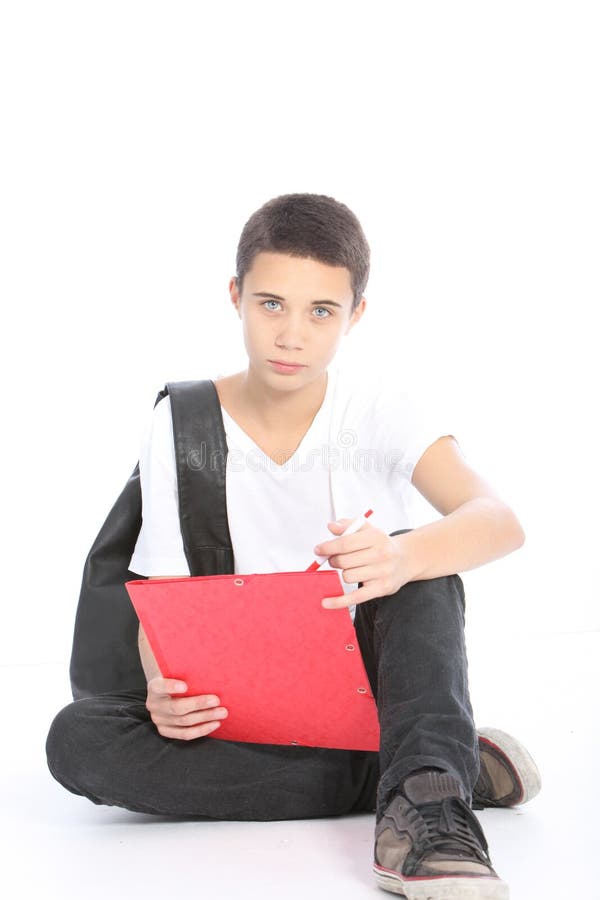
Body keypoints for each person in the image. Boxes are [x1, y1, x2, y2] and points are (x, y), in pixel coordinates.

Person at [46, 192, 540, 899]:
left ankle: (426, 806)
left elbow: (499, 519)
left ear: (354, 316)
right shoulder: (179, 423)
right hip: (246, 701)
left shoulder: (376, 409)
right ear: (236, 297)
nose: (291, 335)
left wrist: (401, 557)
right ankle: (424, 766)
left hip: (373, 681)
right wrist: (161, 689)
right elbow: (161, 595)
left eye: (321, 312)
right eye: (271, 304)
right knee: (76, 741)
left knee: (422, 564)